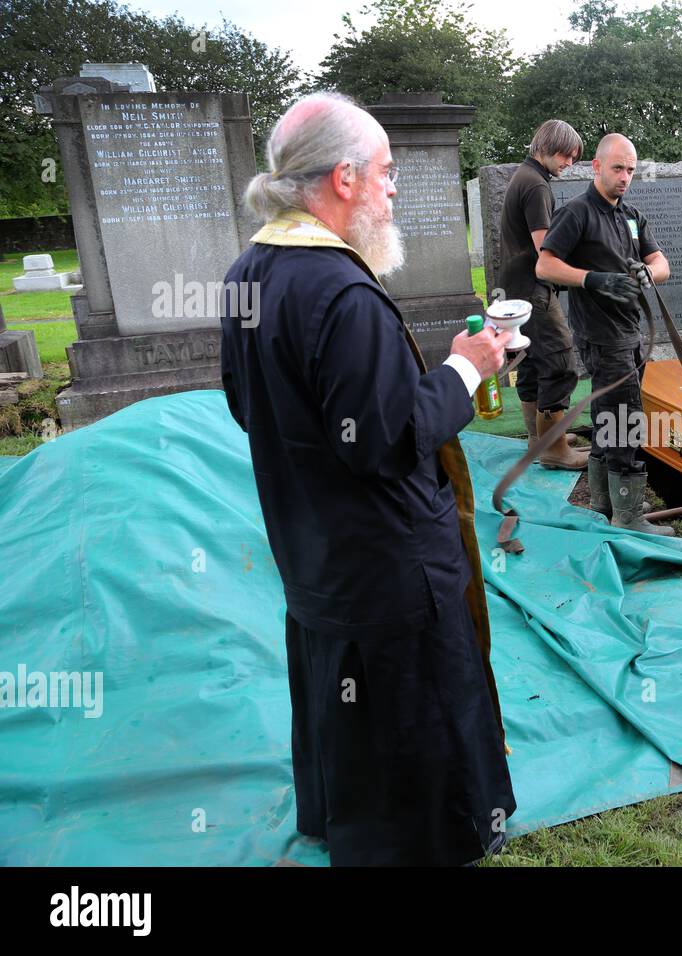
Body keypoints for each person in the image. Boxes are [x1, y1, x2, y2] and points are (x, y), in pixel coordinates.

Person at [219, 92, 516, 865]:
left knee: (343, 695)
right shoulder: (342, 292)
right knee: (416, 702)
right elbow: (385, 441)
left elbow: (249, 405)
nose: (392, 189)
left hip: (313, 546)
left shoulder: (251, 271)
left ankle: (337, 815)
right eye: (385, 173)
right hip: (387, 564)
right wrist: (467, 365)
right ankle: (433, 834)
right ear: (344, 178)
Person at [535, 133, 675, 536]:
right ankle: (628, 516)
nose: (625, 176)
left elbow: (660, 260)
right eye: (617, 168)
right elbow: (544, 267)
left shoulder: (629, 214)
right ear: (596, 167)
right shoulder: (577, 213)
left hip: (630, 332)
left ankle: (605, 501)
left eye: (630, 169)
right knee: (625, 418)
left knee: (610, 416)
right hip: (602, 335)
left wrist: (650, 273)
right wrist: (592, 279)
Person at [498, 119, 587, 469]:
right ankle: (553, 450)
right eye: (566, 155)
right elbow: (545, 250)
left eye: (574, 157)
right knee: (560, 360)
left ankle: (539, 438)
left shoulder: (525, 176)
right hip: (532, 290)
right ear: (548, 147)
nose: (569, 163)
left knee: (533, 363)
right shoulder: (536, 186)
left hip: (513, 287)